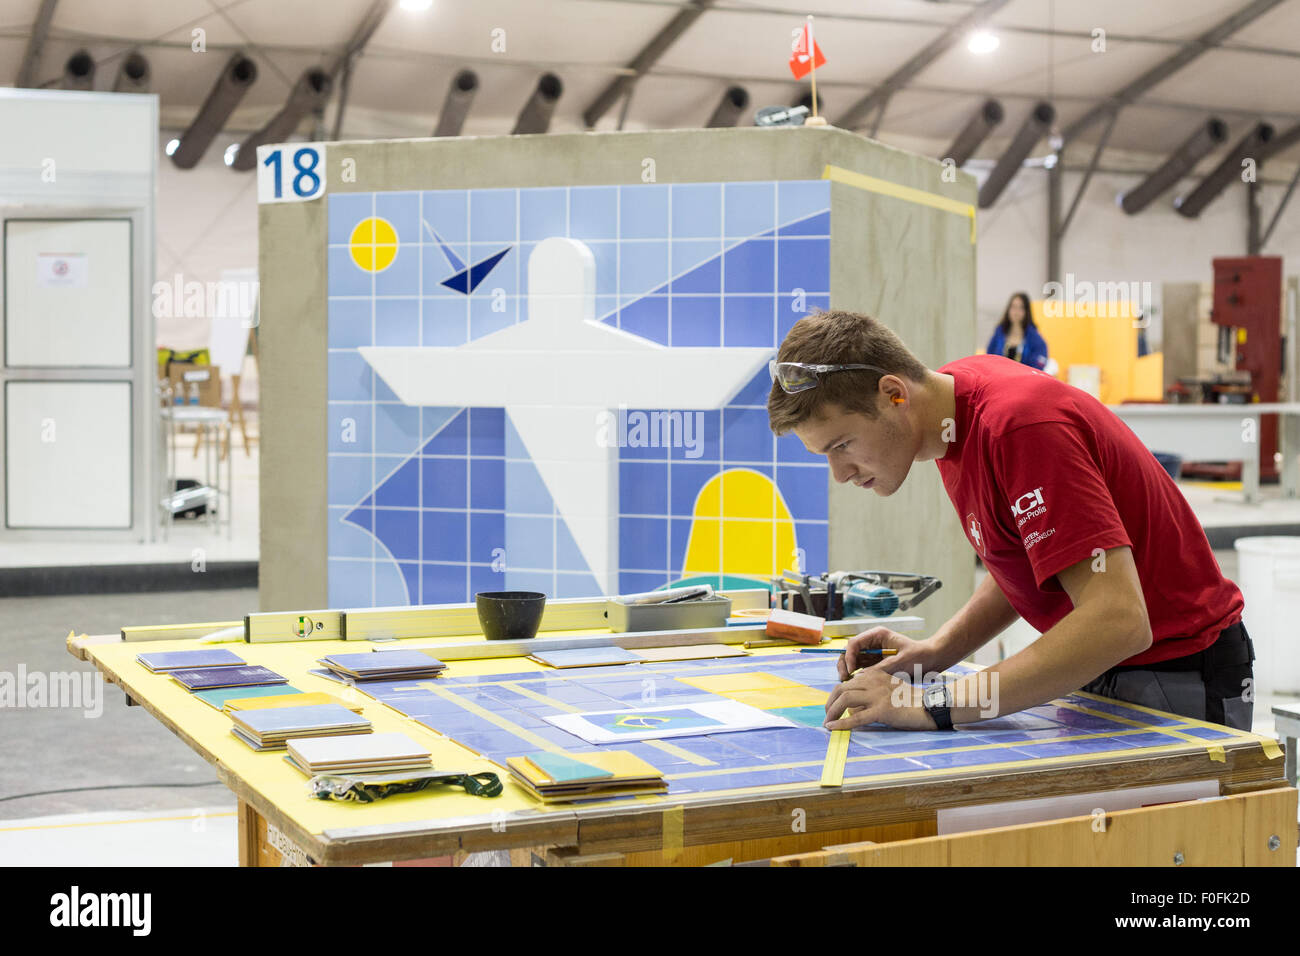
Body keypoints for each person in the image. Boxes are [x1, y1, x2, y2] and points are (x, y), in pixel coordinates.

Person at [767, 310, 1253, 732]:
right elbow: (1034, 557)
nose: (841, 473)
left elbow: (1120, 620)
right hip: (1103, 666)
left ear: (894, 394)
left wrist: (934, 703)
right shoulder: (950, 414)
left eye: (841, 445)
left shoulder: (1019, 426)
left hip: (1178, 670)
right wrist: (937, 652)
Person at [986, 291, 1049, 370]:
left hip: (1024, 380)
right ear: (1008, 309)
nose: (1016, 311)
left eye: (1021, 308)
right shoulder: (999, 333)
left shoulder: (1035, 339)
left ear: (1027, 311)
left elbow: (1039, 364)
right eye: (1013, 307)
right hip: (999, 379)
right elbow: (989, 357)